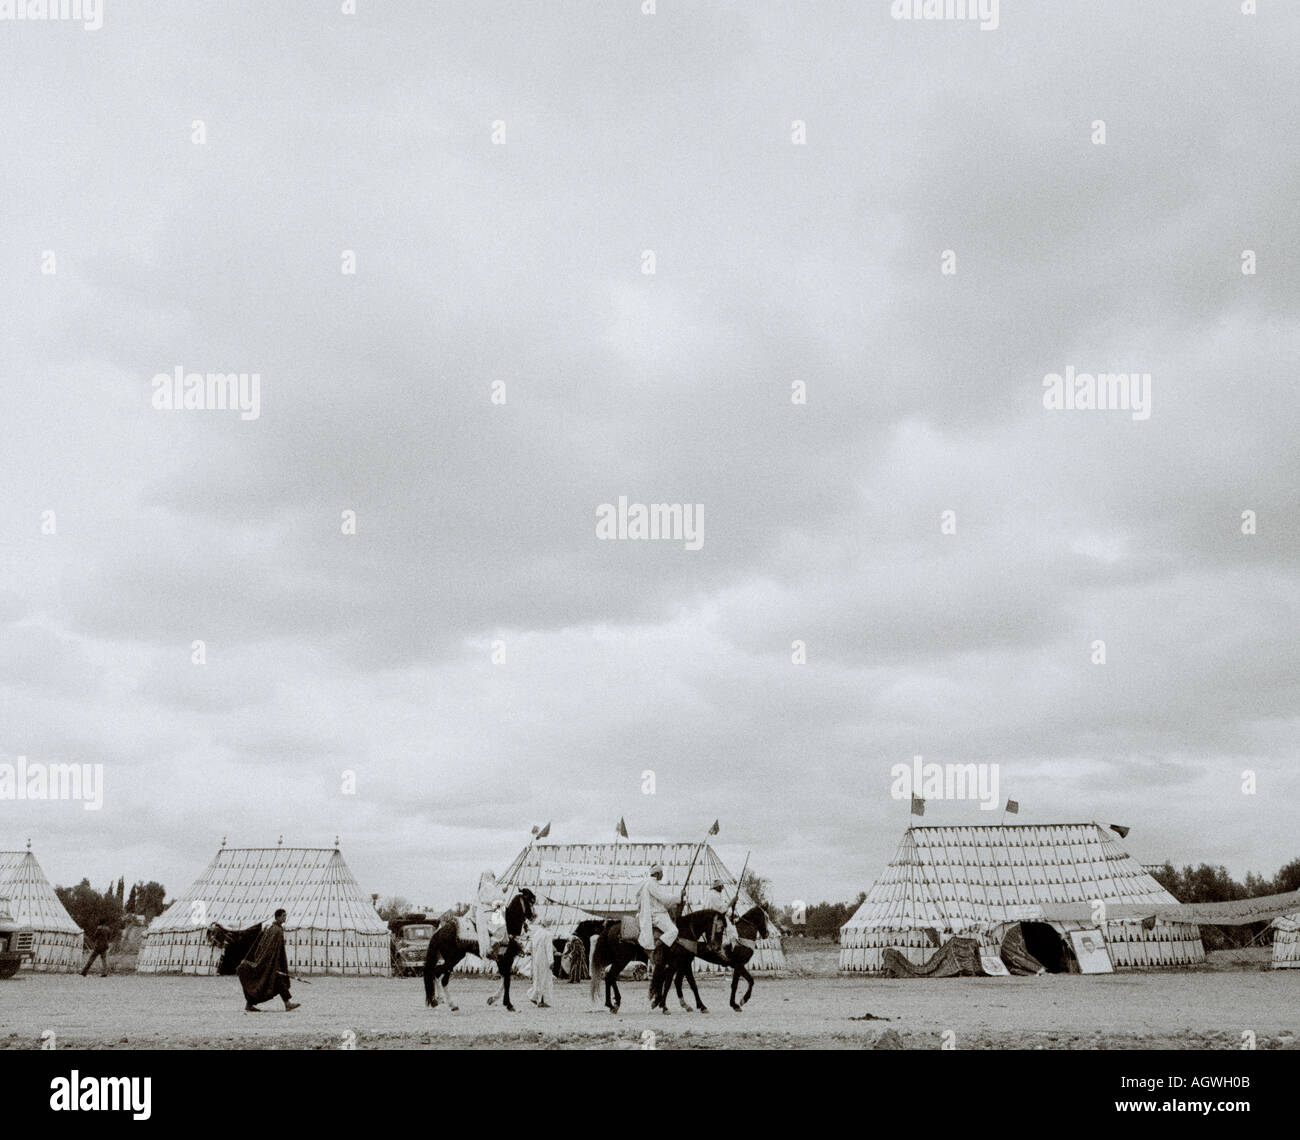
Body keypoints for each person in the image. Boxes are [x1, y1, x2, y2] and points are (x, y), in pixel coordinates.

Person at [237, 908, 300, 1012]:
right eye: (283, 916)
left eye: (285, 915)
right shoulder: (276, 930)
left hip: (270, 962)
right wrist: (274, 963)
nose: (285, 918)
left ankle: (286, 1003)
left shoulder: (272, 928)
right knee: (270, 983)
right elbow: (272, 949)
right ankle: (287, 1004)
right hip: (270, 962)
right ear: (278, 917)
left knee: (276, 982)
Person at [636, 864, 678, 958]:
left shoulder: (649, 883)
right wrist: (679, 897)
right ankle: (657, 949)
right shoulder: (651, 884)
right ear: (658, 873)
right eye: (662, 873)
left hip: (657, 913)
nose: (662, 875)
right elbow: (663, 898)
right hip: (656, 915)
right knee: (673, 931)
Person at [474, 870, 504, 960]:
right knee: (501, 926)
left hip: (480, 911)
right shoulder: (489, 886)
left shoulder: (482, 887)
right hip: (487, 911)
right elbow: (498, 898)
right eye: (493, 876)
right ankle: (493, 947)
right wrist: (503, 891)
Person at [525, 919, 554, 1008]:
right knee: (545, 980)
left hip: (536, 959)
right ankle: (541, 1000)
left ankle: (535, 996)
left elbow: (530, 947)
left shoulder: (536, 933)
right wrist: (551, 961)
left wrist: (527, 951)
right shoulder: (548, 935)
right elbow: (548, 949)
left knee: (537, 979)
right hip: (544, 959)